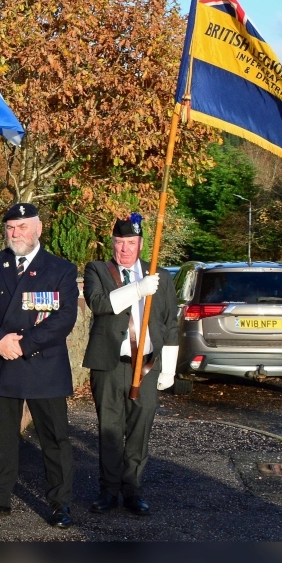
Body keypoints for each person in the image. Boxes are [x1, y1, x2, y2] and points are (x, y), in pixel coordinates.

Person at [0, 203, 79, 528]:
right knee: (0, 435)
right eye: (11, 228)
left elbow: (64, 318)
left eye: (23, 227)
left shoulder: (59, 269)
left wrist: (24, 344)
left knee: (54, 438)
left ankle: (60, 503)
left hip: (42, 365)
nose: (16, 233)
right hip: (0, 361)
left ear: (38, 229)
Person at [82, 213, 178, 516]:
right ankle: (108, 491)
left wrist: (170, 367)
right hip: (109, 364)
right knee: (110, 429)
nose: (124, 249)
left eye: (131, 243)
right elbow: (99, 304)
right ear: (112, 243)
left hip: (147, 366)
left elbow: (170, 323)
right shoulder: (97, 269)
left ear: (140, 243)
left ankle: (133, 490)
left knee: (140, 430)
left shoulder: (159, 276)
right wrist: (138, 289)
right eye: (119, 242)